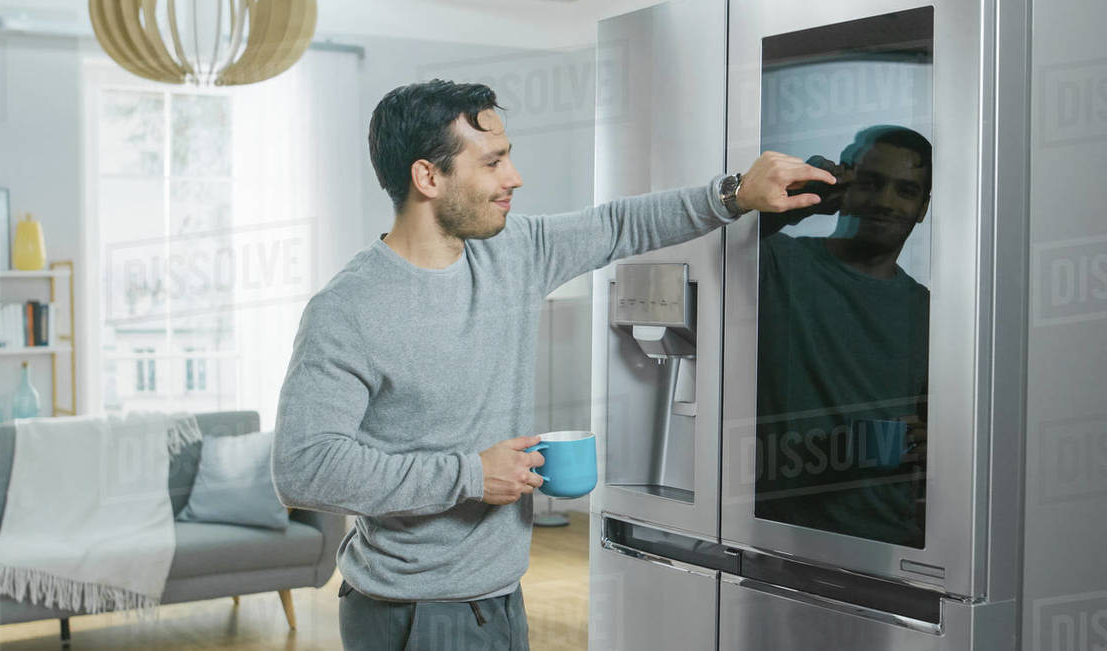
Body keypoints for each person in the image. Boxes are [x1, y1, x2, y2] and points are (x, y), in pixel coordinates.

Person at [271, 79, 834, 650]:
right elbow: (303, 467)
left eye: (508, 157)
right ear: (429, 177)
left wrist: (736, 192)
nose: (514, 177)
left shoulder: (513, 251)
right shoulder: (349, 309)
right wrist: (468, 474)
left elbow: (618, 226)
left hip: (501, 597)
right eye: (493, 162)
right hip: (415, 613)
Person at [753, 125, 932, 548]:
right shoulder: (778, 263)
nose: (886, 202)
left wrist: (938, 440)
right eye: (870, 183)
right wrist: (798, 200)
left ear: (923, 208)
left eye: (905, 191)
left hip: (887, 543)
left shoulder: (930, 313)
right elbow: (698, 247)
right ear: (844, 185)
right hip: (774, 539)